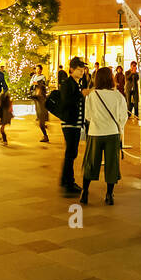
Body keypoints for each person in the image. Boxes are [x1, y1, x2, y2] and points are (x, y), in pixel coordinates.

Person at [81, 66, 128, 205]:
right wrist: (119, 127)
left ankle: (85, 191)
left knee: (91, 162)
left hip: (95, 133)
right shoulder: (118, 96)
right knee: (111, 164)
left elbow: (87, 116)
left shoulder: (92, 95)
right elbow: (123, 117)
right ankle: (109, 194)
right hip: (112, 133)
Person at [56, 57, 87, 195]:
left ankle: (66, 180)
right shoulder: (68, 83)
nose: (82, 73)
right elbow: (66, 102)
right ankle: (68, 183)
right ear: (71, 70)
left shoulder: (76, 83)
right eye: (79, 70)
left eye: (83, 70)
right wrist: (81, 95)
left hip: (75, 123)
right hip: (70, 123)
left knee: (71, 153)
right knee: (71, 153)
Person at [29, 64, 50, 142]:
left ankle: (45, 134)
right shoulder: (34, 76)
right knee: (37, 107)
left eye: (39, 69)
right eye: (37, 69)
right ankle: (45, 133)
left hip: (41, 99)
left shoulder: (43, 77)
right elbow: (31, 83)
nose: (38, 70)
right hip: (37, 96)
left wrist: (37, 84)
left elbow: (42, 84)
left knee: (41, 121)